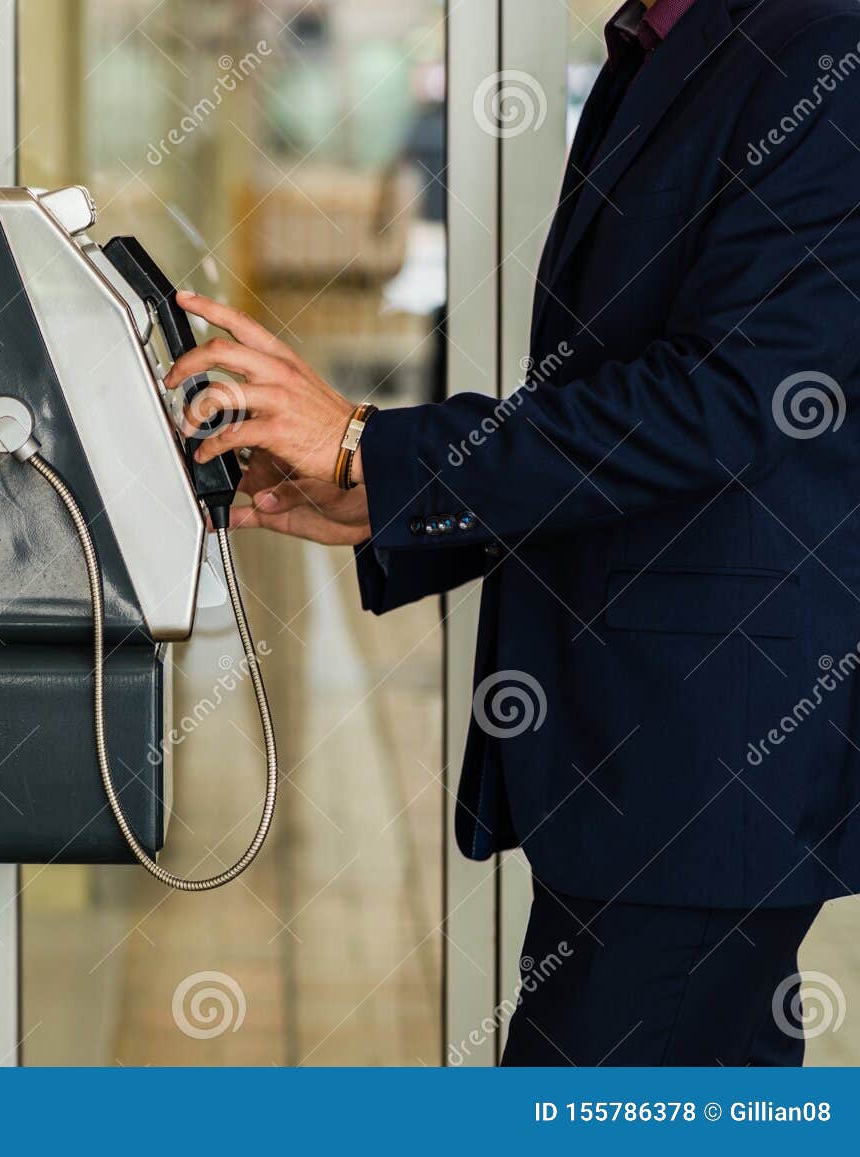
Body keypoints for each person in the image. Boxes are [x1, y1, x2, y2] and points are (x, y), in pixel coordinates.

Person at [165, 0, 860, 1065]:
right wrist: (391, 497)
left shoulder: (823, 47)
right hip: (646, 753)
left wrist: (370, 445)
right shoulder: (663, 43)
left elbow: (728, 400)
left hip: (707, 753)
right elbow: (619, 396)